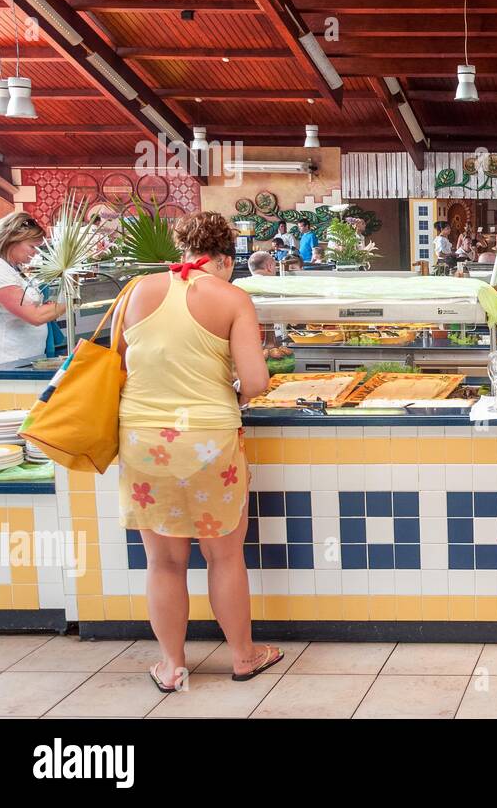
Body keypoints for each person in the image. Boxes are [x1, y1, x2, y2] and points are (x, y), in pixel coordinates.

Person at [113, 212, 279, 690]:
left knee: (164, 562)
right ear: (225, 259)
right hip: (208, 440)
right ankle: (244, 657)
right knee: (224, 557)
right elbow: (255, 382)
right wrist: (229, 389)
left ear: (184, 251)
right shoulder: (232, 297)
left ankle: (171, 667)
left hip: (144, 440)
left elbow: (122, 367)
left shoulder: (136, 291)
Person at [0, 212, 66, 367]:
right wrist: (68, 299)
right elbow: (34, 316)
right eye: (32, 246)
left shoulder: (12, 265)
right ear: (11, 240)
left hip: (23, 357)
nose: (36, 252)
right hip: (4, 362)